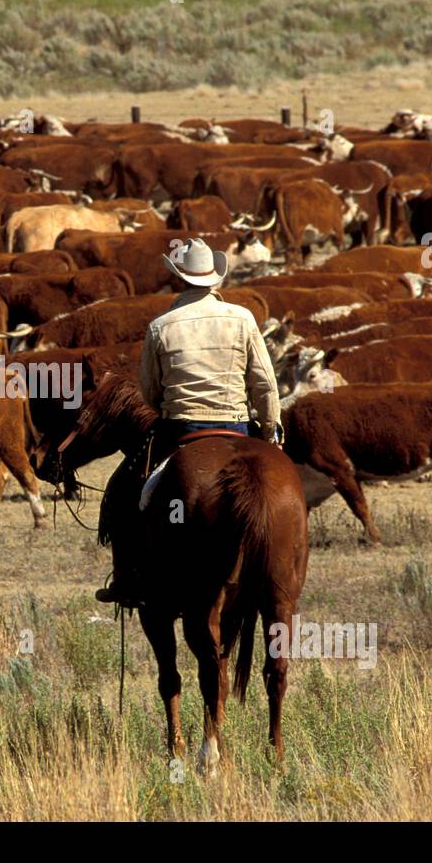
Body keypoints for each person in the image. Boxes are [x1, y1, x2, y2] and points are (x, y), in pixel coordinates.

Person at [96, 237, 282, 606]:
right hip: (238, 425)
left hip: (181, 429)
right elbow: (264, 383)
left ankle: (128, 581)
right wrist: (270, 428)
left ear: (180, 278)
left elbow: (149, 393)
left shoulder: (161, 326)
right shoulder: (243, 318)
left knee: (127, 492)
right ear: (215, 281)